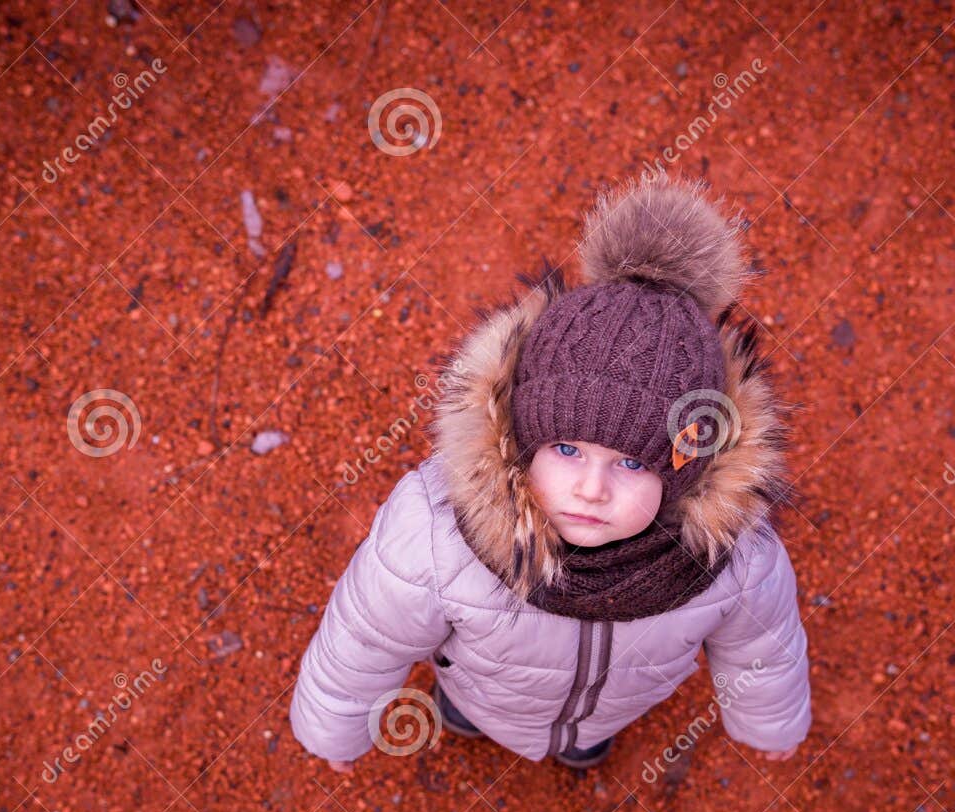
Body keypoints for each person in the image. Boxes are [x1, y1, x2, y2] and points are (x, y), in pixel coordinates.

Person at [290, 174, 811, 773]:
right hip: (482, 691)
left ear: (691, 474)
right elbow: (361, 646)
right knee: (466, 706)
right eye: (566, 448)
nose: (592, 488)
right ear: (524, 439)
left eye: (634, 462)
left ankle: (581, 739)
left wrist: (770, 724)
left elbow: (762, 657)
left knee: (584, 738)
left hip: (610, 709)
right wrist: (335, 733)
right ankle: (464, 713)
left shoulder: (733, 563)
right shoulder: (433, 538)